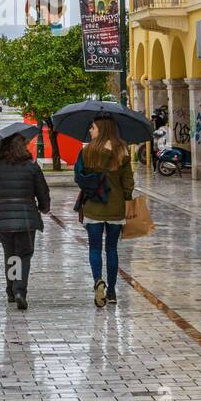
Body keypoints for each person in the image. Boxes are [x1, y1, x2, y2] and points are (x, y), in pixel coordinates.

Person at [0, 132, 51, 310]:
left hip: (2, 218)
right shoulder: (31, 167)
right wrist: (44, 207)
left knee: (11, 254)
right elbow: (42, 191)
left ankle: (11, 292)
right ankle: (20, 290)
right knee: (24, 255)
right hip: (26, 217)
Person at [74, 114, 134, 308]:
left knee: (94, 248)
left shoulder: (87, 151)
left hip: (93, 207)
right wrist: (126, 198)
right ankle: (112, 291)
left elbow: (79, 177)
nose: (90, 131)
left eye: (92, 128)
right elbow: (128, 182)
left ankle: (98, 280)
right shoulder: (122, 150)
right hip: (116, 207)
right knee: (112, 249)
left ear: (101, 129)